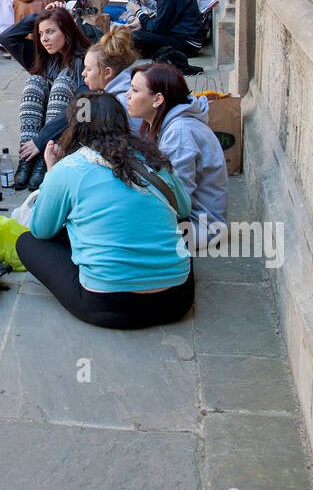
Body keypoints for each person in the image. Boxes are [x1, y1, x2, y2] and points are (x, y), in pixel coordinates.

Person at [15, 92, 194, 329]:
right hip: (176, 299)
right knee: (182, 226)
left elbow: (41, 230)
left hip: (107, 305)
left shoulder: (69, 169)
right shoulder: (155, 160)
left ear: (75, 128)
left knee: (27, 242)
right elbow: (184, 209)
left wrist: (51, 172)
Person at [126, 62, 228, 235]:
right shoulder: (167, 124)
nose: (127, 95)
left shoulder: (179, 133)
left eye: (135, 90)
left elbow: (177, 198)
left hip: (200, 226)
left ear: (157, 99)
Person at [13, 6, 92, 191]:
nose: (44, 39)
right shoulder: (48, 57)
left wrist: (42, 141)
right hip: (42, 136)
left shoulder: (85, 60)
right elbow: (6, 38)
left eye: (50, 32)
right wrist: (40, 14)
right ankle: (27, 159)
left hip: (78, 130)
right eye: (40, 34)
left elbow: (82, 108)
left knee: (63, 83)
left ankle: (44, 158)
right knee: (35, 81)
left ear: (67, 31)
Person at [81, 25, 141, 131]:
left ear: (107, 72)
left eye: (88, 69)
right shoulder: (117, 95)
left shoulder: (122, 103)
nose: (83, 73)